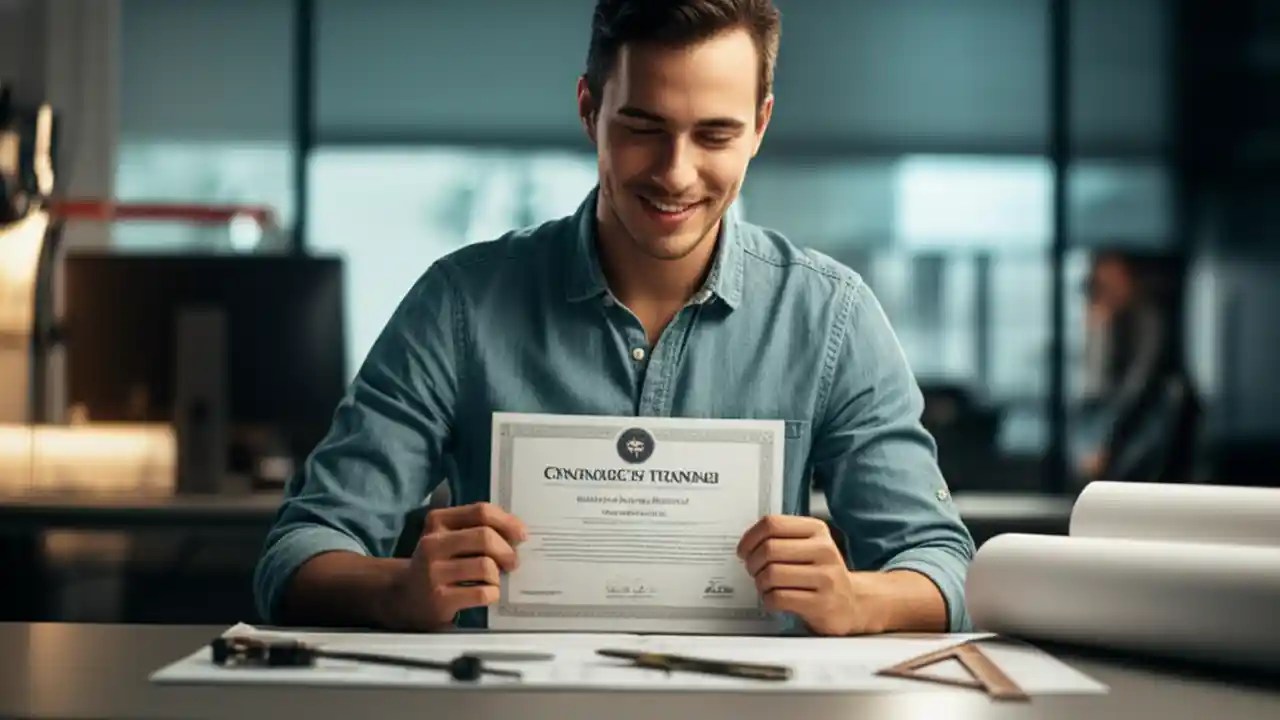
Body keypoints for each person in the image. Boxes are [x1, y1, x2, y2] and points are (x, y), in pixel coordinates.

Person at [255, 0, 974, 636]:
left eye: (715, 136)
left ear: (759, 126)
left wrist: (858, 599)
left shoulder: (829, 316)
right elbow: (298, 552)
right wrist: (397, 591)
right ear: (588, 110)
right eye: (642, 127)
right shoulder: (460, 303)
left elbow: (945, 566)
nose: (676, 172)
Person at [1078, 251, 1199, 484]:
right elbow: (1094, 385)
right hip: (1126, 431)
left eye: (1112, 279)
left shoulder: (1148, 318)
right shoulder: (1115, 321)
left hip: (1153, 430)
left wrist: (1109, 446)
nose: (1109, 289)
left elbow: (1139, 387)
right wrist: (1099, 332)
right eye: (1102, 283)